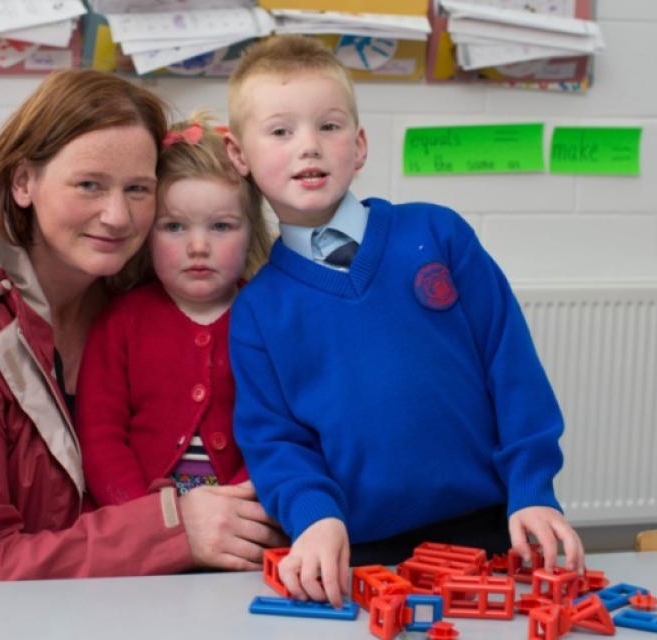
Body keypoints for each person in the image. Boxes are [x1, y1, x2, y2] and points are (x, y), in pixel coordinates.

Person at [0, 70, 282, 640]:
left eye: (137, 189)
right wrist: (173, 528)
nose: (117, 215)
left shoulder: (128, 294)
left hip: (107, 606)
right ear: (23, 183)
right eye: (89, 185)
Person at [223, 35, 586, 608]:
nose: (309, 147)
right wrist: (315, 517)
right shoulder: (256, 312)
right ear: (239, 156)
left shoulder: (438, 234)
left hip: (489, 528)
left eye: (330, 126)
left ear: (360, 145)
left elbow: (511, 366)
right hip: (356, 551)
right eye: (280, 131)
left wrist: (532, 488)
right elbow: (275, 440)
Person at [76, 115, 272, 504]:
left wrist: (238, 506)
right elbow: (100, 436)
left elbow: (282, 431)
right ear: (146, 233)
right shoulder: (121, 322)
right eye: (174, 227)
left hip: (245, 520)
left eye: (221, 227)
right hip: (141, 527)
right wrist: (142, 519)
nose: (198, 246)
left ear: (252, 232)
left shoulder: (270, 320)